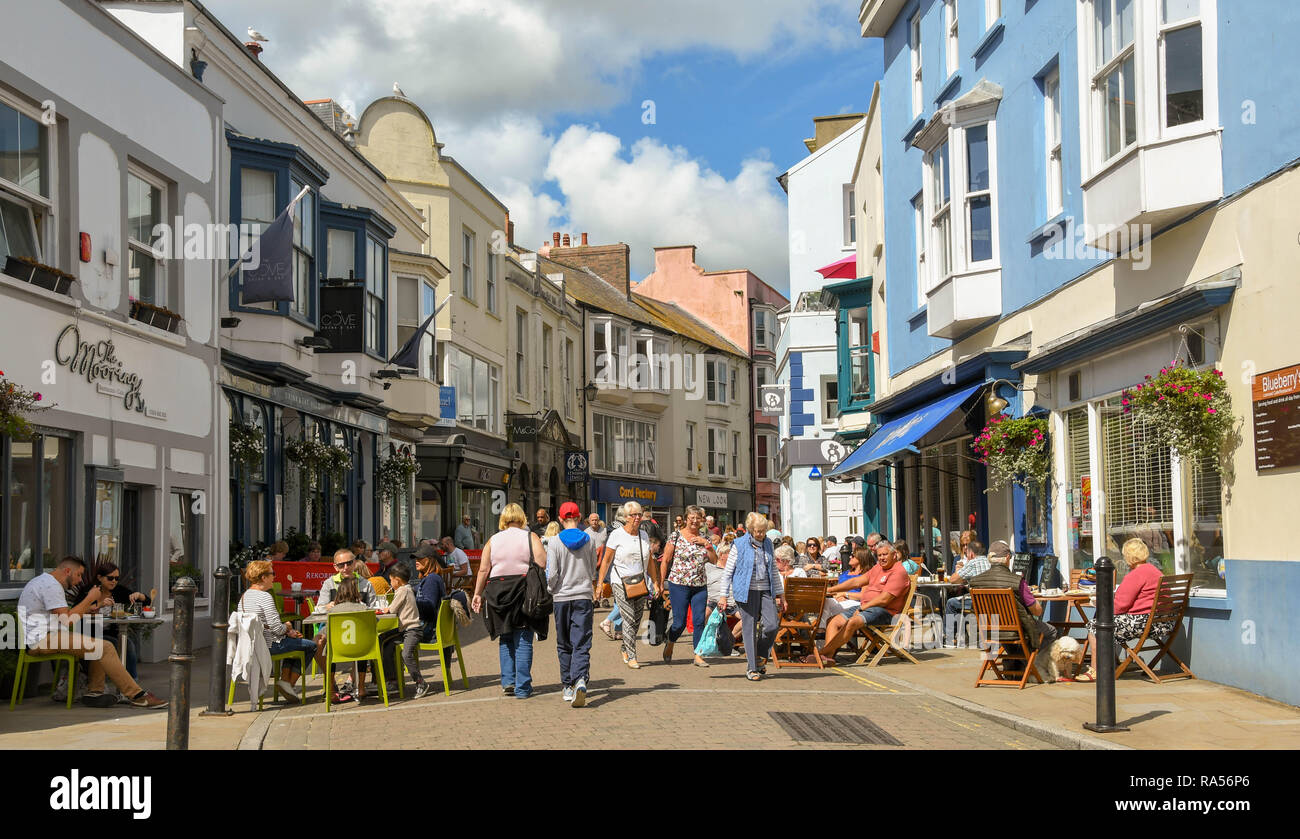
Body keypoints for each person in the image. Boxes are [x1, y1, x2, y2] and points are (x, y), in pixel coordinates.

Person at [17, 556, 167, 709]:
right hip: (44, 639)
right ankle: (137, 695)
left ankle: (95, 693)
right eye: (79, 575)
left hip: (45, 636)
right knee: (106, 647)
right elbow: (68, 620)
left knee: (97, 643)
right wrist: (89, 598)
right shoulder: (51, 586)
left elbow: (65, 615)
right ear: (67, 571)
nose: (80, 580)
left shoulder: (43, 581)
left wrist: (89, 608)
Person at [473, 503, 549, 699]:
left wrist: (477, 594)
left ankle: (508, 681)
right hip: (523, 588)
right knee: (523, 638)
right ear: (522, 518)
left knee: (505, 636)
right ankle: (522, 687)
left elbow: (483, 569)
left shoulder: (493, 540)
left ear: (504, 519)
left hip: (497, 590)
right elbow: (542, 562)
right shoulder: (530, 537)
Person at [1075, 538, 1171, 682]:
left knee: (1095, 626)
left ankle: (1096, 670)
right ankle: (1109, 664)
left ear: (1128, 556)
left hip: (1144, 624)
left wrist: (1099, 604)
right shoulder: (1155, 571)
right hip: (1162, 623)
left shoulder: (1135, 575)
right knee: (1105, 623)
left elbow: (1120, 606)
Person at [810, 539, 911, 665]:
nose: (882, 558)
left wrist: (864, 607)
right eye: (879, 555)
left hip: (885, 612)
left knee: (852, 622)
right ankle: (828, 658)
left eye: (885, 554)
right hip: (867, 607)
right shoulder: (879, 567)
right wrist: (830, 589)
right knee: (833, 621)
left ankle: (820, 654)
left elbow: (884, 599)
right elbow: (856, 581)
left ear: (894, 555)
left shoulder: (898, 572)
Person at [238, 559, 322, 703]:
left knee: (295, 642)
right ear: (263, 577)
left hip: (252, 643)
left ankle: (285, 682)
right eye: (272, 574)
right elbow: (277, 628)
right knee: (311, 646)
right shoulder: (265, 597)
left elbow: (263, 625)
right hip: (269, 645)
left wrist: (286, 632)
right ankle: (289, 684)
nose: (274, 577)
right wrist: (288, 627)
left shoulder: (245, 597)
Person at [718, 513, 785, 681]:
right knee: (749, 628)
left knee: (772, 625)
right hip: (745, 591)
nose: (761, 534)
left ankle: (761, 657)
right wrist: (723, 596)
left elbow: (774, 571)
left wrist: (781, 594)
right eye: (758, 531)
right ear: (749, 529)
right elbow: (728, 573)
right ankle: (752, 668)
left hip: (765, 590)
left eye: (763, 531)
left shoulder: (768, 543)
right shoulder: (739, 545)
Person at [595, 501, 660, 669]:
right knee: (629, 617)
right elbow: (606, 560)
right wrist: (600, 583)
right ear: (626, 517)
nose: (637, 518)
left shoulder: (643, 535)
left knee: (637, 619)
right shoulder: (616, 534)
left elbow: (651, 561)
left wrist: (656, 583)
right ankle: (632, 656)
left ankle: (625, 646)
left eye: (639, 514)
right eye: (633, 515)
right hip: (620, 581)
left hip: (640, 583)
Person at [546, 502, 599, 707]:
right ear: (579, 518)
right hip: (583, 595)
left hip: (561, 597)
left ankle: (567, 685)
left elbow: (552, 574)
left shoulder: (554, 542)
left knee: (564, 642)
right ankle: (580, 679)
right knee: (582, 641)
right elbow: (592, 567)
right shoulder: (590, 540)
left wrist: (552, 589)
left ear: (560, 519)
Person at [660, 504, 719, 668]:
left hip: (700, 585)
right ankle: (670, 642)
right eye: (691, 518)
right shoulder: (675, 536)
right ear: (686, 519)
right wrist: (660, 582)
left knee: (699, 621)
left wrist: (706, 545)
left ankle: (698, 655)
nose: (694, 521)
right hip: (679, 584)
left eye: (697, 518)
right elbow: (665, 560)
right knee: (679, 623)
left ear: (701, 521)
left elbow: (715, 561)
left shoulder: (704, 538)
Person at [73, 560, 150, 679]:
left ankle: (132, 681)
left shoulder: (118, 591)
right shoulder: (89, 591)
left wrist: (139, 595)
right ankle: (122, 681)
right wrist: (99, 604)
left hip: (110, 632)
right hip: (89, 632)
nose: (114, 581)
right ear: (100, 577)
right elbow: (76, 611)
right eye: (110, 578)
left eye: (116, 578)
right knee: (115, 643)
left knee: (128, 645)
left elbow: (146, 602)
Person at [377, 564, 432, 699]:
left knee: (406, 654)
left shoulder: (402, 590)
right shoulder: (407, 589)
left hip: (412, 629)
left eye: (390, 580)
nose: (390, 583)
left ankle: (420, 682)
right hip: (405, 629)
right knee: (384, 640)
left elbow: (391, 609)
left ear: (397, 580)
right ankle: (392, 679)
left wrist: (382, 609)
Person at [319, 575, 376, 702]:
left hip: (339, 650)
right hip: (362, 649)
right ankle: (361, 687)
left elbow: (328, 632)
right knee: (362, 652)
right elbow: (374, 622)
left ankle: (331, 691)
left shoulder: (333, 611)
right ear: (356, 592)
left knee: (329, 650)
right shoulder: (364, 608)